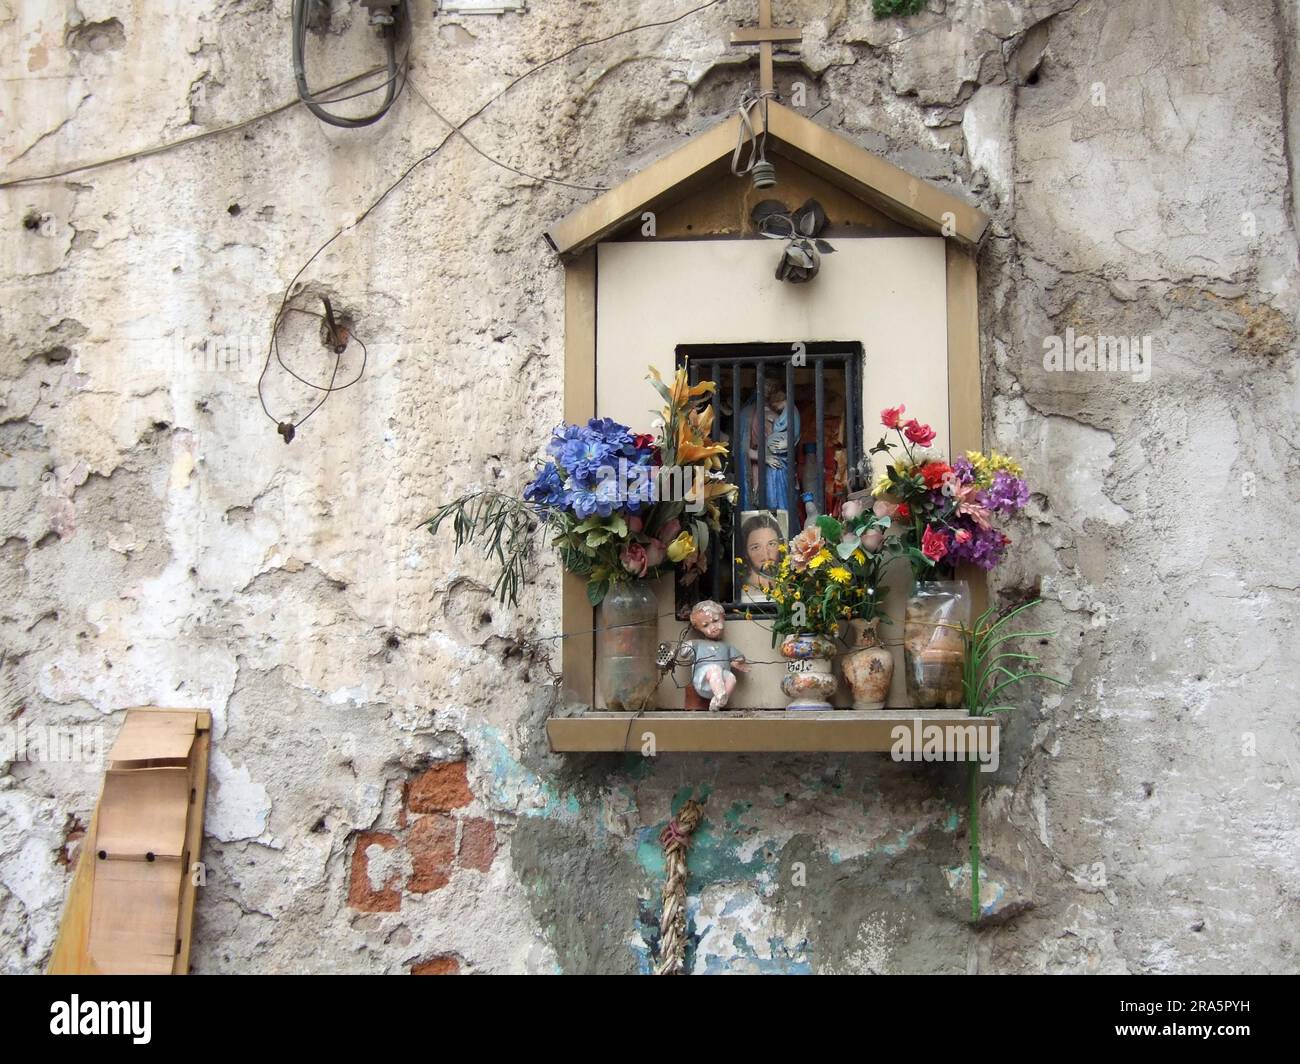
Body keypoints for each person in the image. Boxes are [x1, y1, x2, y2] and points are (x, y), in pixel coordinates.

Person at [737, 379, 801, 513]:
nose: (768, 389)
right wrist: (764, 457)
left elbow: (792, 437)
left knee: (783, 508)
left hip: (780, 466)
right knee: (761, 508)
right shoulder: (747, 414)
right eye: (765, 385)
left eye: (772, 386)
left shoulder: (784, 412)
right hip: (758, 467)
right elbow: (741, 449)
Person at [685, 601, 749, 711]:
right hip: (703, 680)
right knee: (715, 669)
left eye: (715, 620)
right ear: (698, 628)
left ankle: (718, 701)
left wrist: (738, 662)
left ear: (723, 617)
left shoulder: (726, 647)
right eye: (705, 625)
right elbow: (684, 651)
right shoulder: (698, 644)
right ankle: (720, 695)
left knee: (731, 677)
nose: (713, 627)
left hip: (720, 682)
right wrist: (685, 647)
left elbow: (739, 657)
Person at [737, 511, 784, 601]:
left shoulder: (786, 588)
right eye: (756, 547)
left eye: (771, 544)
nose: (766, 554)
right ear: (746, 553)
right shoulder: (744, 594)